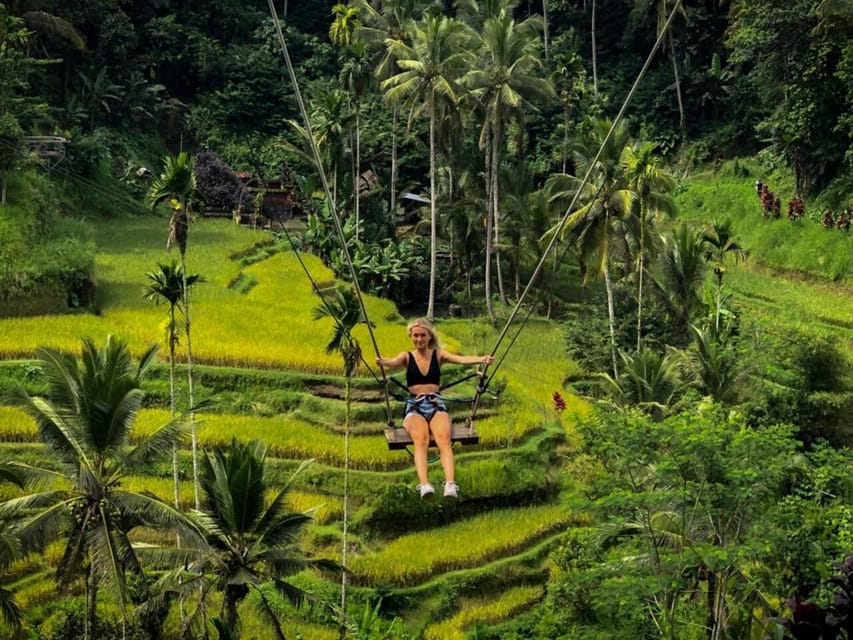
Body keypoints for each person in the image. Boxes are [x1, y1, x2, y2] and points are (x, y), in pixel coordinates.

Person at [376, 318, 493, 499]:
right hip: (415, 406)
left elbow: (461, 360)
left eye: (423, 335)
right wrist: (383, 362)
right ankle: (424, 485)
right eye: (416, 336)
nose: (419, 339)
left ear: (429, 336)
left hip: (436, 404)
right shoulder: (407, 356)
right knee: (420, 440)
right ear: (411, 337)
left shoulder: (439, 355)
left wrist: (482, 359)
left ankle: (450, 484)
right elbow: (392, 361)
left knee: (444, 440)